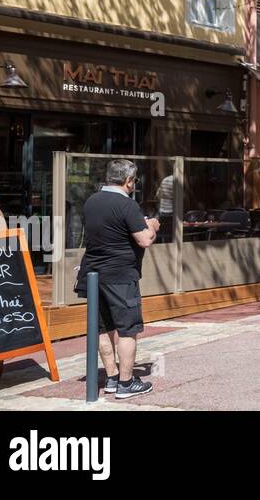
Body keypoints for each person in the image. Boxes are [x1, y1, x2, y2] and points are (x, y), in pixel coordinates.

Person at [75, 159, 160, 399]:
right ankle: (126, 383)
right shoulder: (127, 205)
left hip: (93, 274)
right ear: (128, 180)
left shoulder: (92, 201)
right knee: (127, 329)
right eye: (134, 181)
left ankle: (111, 377)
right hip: (121, 275)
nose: (134, 185)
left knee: (102, 327)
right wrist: (151, 225)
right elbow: (144, 239)